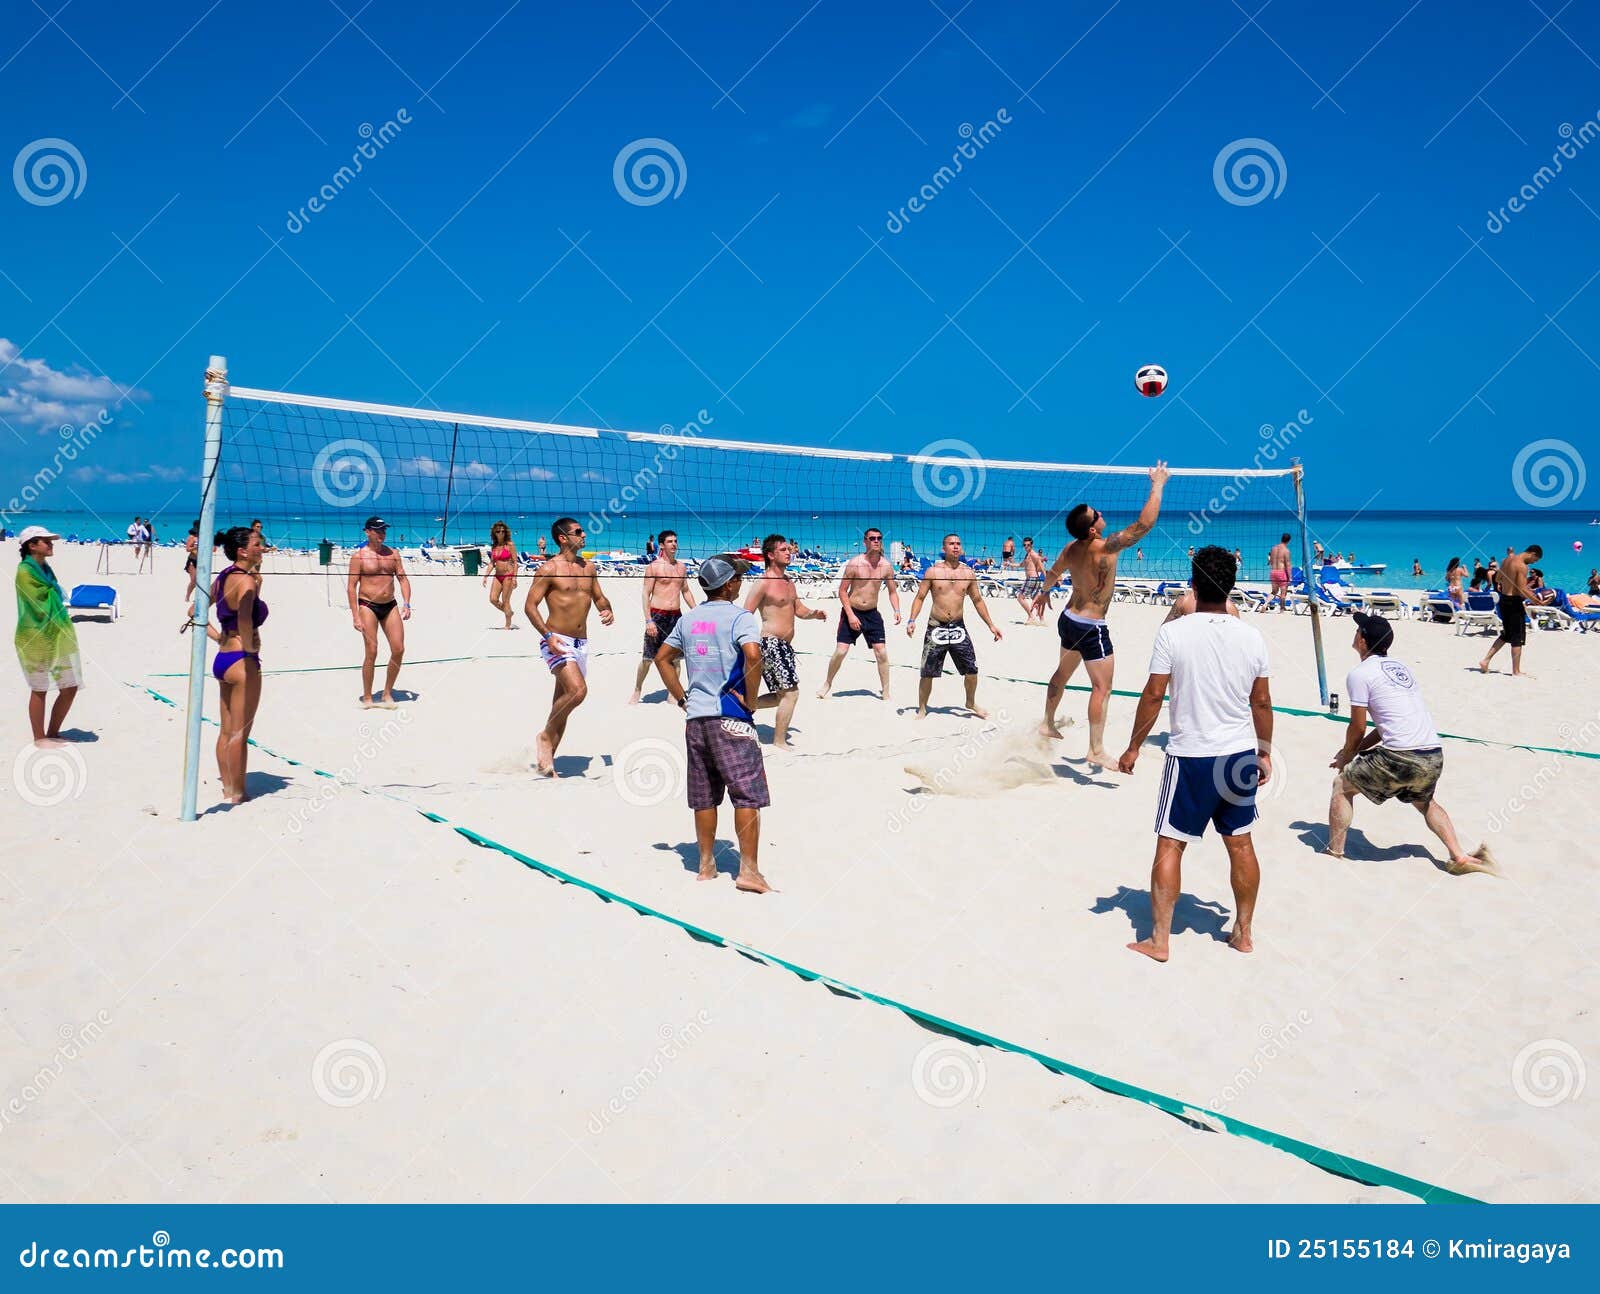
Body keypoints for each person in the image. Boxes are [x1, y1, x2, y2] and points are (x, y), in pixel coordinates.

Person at [1116, 546, 1271, 963]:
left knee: (1170, 845)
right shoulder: (1252, 635)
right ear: (1232, 586)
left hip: (1192, 757)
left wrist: (1133, 746)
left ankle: (1160, 940)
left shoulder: (1174, 631)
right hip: (1239, 755)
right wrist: (1265, 753)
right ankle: (1243, 932)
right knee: (1240, 844)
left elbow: (1153, 694)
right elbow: (1262, 703)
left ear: (1194, 583)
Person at [1328, 614, 1495, 874]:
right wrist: (1356, 750)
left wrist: (1346, 756)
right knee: (1424, 802)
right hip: (1432, 754)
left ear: (1362, 640)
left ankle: (1334, 853)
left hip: (1401, 757)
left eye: (1357, 630)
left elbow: (1358, 727)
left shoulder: (1359, 674)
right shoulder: (1401, 668)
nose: (1355, 633)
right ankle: (1459, 855)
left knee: (1342, 785)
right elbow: (1387, 727)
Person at [1032, 462, 1170, 764]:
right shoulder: (1106, 547)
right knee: (1102, 687)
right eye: (1098, 514)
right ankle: (1095, 750)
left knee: (1062, 673)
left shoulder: (1071, 548)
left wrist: (1043, 592)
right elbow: (1145, 524)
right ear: (1093, 528)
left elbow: (1054, 573)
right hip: (1091, 626)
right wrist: (1157, 485)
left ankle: (1047, 722)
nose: (1102, 514)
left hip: (1068, 620)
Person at [654, 554, 772, 893]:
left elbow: (663, 658)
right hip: (731, 717)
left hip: (697, 719)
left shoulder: (689, 620)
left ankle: (706, 865)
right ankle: (748, 871)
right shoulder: (741, 618)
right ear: (730, 584)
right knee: (747, 795)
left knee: (704, 796)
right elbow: (752, 655)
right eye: (737, 578)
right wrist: (751, 700)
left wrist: (681, 698)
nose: (740, 582)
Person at [524, 517, 614, 776]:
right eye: (578, 531)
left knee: (562, 703)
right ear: (563, 538)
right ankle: (544, 736)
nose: (584, 534)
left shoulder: (589, 568)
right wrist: (548, 635)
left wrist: (607, 609)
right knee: (577, 692)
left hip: (581, 643)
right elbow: (530, 606)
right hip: (556, 640)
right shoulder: (549, 569)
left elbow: (599, 597)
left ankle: (547, 762)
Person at [905, 533, 1003, 719]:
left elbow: (977, 600)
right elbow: (919, 597)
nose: (956, 546)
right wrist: (912, 620)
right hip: (936, 626)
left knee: (972, 670)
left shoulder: (968, 573)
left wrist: (991, 625)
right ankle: (923, 708)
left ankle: (970, 702)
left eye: (958, 543)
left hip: (958, 627)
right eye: (951, 544)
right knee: (927, 672)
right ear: (944, 548)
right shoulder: (933, 572)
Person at [745, 534, 826, 748]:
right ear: (771, 555)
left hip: (786, 647)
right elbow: (745, 614)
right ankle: (779, 741)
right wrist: (746, 646)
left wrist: (814, 614)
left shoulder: (789, 582)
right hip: (770, 644)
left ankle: (744, 705)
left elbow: (799, 610)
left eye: (789, 549)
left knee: (780, 695)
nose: (789, 552)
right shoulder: (763, 582)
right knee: (791, 693)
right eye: (783, 550)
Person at [208, 525, 267, 804]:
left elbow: (194, 611)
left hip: (222, 658)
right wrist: (251, 648)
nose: (262, 547)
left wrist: (219, 636)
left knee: (226, 731)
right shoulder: (245, 583)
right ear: (243, 550)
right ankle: (237, 793)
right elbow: (245, 620)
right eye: (257, 544)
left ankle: (228, 787)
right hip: (242, 661)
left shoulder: (224, 576)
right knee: (240, 735)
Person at [817, 527, 901, 701]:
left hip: (872, 614)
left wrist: (897, 610)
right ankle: (827, 683)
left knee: (882, 653)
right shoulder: (855, 563)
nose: (876, 541)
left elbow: (892, 591)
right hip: (852, 611)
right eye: (872, 538)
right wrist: (851, 615)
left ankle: (885, 691)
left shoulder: (886, 566)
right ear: (865, 542)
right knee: (841, 652)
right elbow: (842, 591)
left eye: (879, 538)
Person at [15, 527, 81, 745]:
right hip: (35, 635)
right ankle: (39, 737)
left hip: (57, 632)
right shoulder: (25, 571)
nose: (51, 544)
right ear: (32, 545)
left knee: (69, 688)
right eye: (46, 541)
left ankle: (53, 732)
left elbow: (51, 595)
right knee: (40, 688)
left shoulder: (46, 570)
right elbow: (36, 605)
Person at [347, 516, 413, 708]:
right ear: (367, 531)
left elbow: (402, 579)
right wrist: (355, 615)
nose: (382, 533)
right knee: (372, 651)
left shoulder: (393, 554)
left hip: (390, 604)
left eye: (384, 530)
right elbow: (351, 587)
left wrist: (407, 603)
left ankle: (386, 693)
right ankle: (367, 697)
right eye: (378, 530)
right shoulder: (358, 557)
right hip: (367, 606)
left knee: (398, 649)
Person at [630, 530, 697, 704]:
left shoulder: (682, 567)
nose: (674, 544)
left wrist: (696, 610)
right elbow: (646, 593)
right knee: (647, 659)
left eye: (675, 541)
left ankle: (672, 694)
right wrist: (648, 620)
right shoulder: (654, 566)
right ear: (661, 545)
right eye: (669, 541)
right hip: (657, 616)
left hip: (676, 617)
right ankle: (637, 689)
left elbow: (686, 591)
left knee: (675, 659)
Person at [1478, 543, 1542, 676]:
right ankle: (1516, 671)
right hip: (1514, 603)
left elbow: (1498, 578)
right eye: (1535, 560)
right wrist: (1537, 600)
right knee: (1517, 637)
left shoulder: (1506, 560)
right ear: (1533, 554)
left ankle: (1486, 660)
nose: (1533, 563)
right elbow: (1521, 589)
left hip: (1504, 601)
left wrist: (1505, 585)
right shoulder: (1522, 566)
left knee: (1507, 634)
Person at [483, 521, 519, 630]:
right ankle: (509, 612)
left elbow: (515, 562)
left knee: (505, 601)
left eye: (503, 531)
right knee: (493, 599)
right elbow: (491, 563)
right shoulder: (494, 546)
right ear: (495, 532)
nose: (501, 533)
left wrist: (514, 578)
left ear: (506, 532)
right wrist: (485, 576)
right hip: (497, 576)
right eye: (498, 531)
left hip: (508, 575)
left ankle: (507, 625)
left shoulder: (509, 545)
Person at [1016, 536, 1048, 625]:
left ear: (1032, 545)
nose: (1026, 547)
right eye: (1024, 545)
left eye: (1028, 545)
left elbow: (1041, 566)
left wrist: (1046, 578)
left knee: (1020, 598)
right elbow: (1021, 565)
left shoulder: (1033, 554)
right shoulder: (1028, 555)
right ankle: (1042, 620)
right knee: (1035, 600)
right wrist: (1009, 563)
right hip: (1034, 580)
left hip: (1032, 579)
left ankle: (1031, 616)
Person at [1267, 532, 1292, 611]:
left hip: (1273, 572)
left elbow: (1270, 562)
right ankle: (1282, 608)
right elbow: (1288, 565)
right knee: (1283, 592)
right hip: (1281, 573)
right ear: (1288, 541)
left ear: (1281, 539)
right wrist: (1290, 577)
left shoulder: (1273, 548)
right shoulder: (1286, 550)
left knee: (1274, 591)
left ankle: (1265, 604)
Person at [183, 524, 199, 603]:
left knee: (200, 581)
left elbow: (213, 549)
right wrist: (195, 548)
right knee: (194, 580)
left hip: (201, 562)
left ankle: (198, 597)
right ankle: (187, 596)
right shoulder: (191, 537)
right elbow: (188, 549)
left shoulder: (204, 537)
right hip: (192, 560)